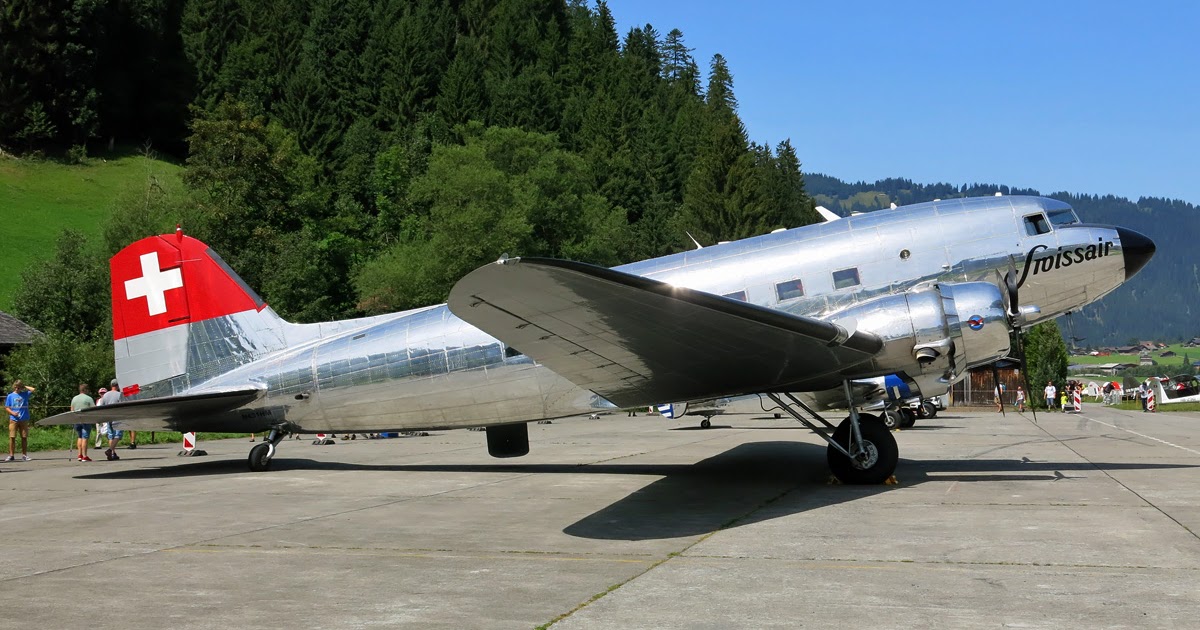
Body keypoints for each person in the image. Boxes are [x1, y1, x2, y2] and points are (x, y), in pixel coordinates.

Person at [5, 380, 36, 462]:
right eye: (15, 387)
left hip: (24, 419)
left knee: (24, 437)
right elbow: (7, 407)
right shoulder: (10, 396)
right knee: (12, 437)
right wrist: (13, 413)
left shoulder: (25, 394)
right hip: (13, 419)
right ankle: (11, 455)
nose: (16, 388)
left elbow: (33, 389)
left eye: (18, 387)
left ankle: (24, 455)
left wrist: (23, 386)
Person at [98, 380, 123, 460]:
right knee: (118, 435)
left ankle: (112, 454)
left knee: (111, 436)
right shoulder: (120, 395)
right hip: (117, 416)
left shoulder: (105, 395)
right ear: (117, 385)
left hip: (109, 417)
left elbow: (102, 406)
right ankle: (110, 450)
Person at [71, 384, 95, 461]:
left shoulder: (74, 398)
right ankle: (85, 456)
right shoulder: (88, 398)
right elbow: (94, 409)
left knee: (79, 436)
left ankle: (79, 454)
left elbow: (72, 409)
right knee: (85, 437)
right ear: (85, 390)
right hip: (86, 419)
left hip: (77, 419)